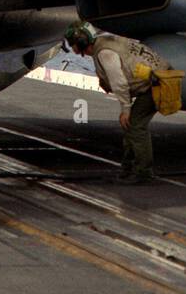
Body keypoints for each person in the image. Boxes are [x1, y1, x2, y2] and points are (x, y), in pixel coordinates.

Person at [64, 20, 167, 184]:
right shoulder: (104, 42)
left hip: (158, 84)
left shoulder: (104, 53)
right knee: (130, 127)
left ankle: (143, 173)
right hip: (152, 81)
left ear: (81, 43)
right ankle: (127, 169)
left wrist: (125, 109)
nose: (72, 48)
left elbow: (119, 83)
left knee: (136, 126)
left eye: (72, 44)